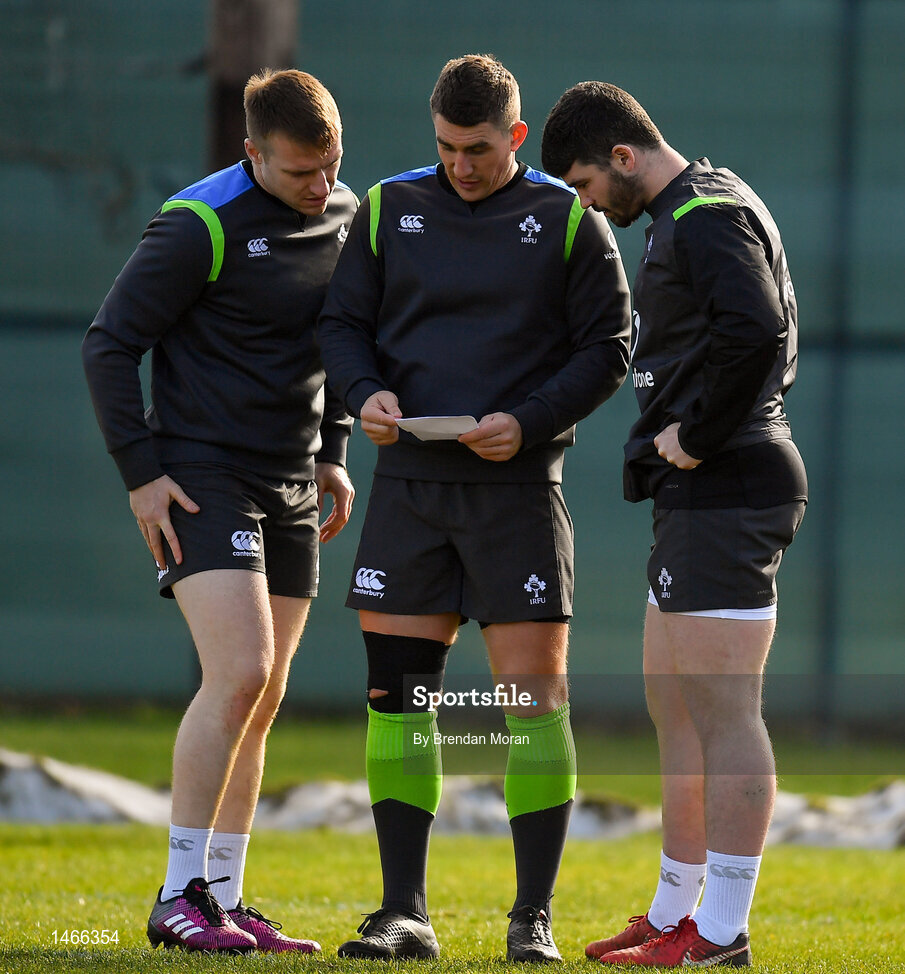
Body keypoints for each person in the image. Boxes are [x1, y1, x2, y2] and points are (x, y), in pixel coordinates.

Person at [317, 55, 631, 962]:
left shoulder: (567, 219)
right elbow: (341, 326)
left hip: (518, 492)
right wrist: (364, 393)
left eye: (480, 149)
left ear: (517, 137)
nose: (461, 164)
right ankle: (401, 913)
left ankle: (530, 920)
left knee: (530, 703)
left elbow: (610, 346)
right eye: (447, 147)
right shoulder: (384, 207)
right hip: (410, 490)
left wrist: (528, 421)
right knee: (397, 699)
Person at [82, 68, 357, 954]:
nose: (319, 188)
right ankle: (176, 897)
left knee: (266, 692)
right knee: (238, 672)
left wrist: (333, 454)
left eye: (330, 166)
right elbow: (109, 344)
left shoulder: (347, 213)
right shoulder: (198, 223)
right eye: (298, 174)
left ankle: (227, 900)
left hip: (290, 478)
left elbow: (342, 337)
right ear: (251, 155)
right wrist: (140, 472)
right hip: (203, 472)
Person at [541, 82, 808, 967]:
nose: (587, 207)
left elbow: (759, 330)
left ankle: (721, 934)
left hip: (731, 481)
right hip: (697, 490)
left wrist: (694, 434)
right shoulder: (692, 202)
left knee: (725, 713)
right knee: (674, 704)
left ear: (622, 156)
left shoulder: (699, 212)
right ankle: (671, 912)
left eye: (584, 186)